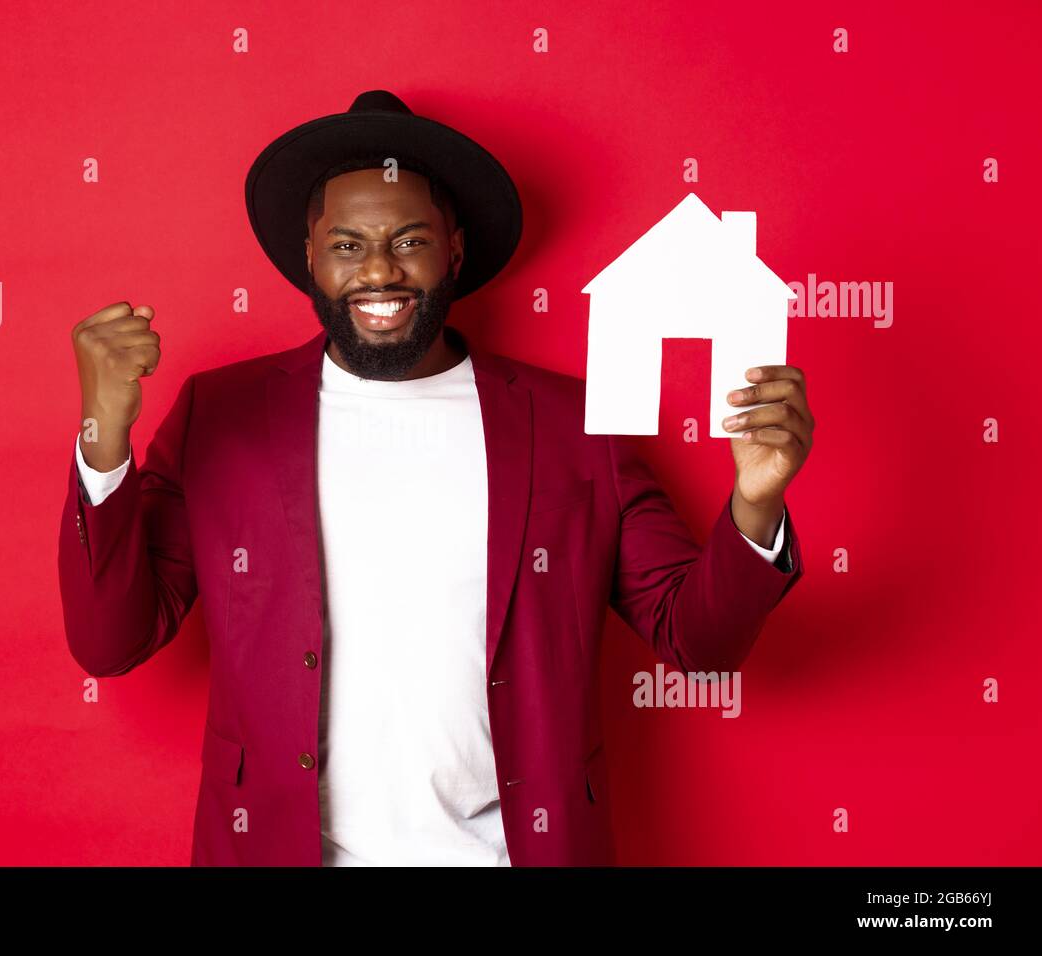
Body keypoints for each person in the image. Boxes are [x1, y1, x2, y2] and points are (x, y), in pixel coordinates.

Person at [58, 90, 812, 866]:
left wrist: (756, 503)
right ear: (308, 256)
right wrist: (103, 436)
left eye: (408, 239)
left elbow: (698, 642)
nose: (380, 269)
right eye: (348, 244)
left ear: (454, 250)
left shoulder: (572, 426)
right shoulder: (221, 414)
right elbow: (110, 643)